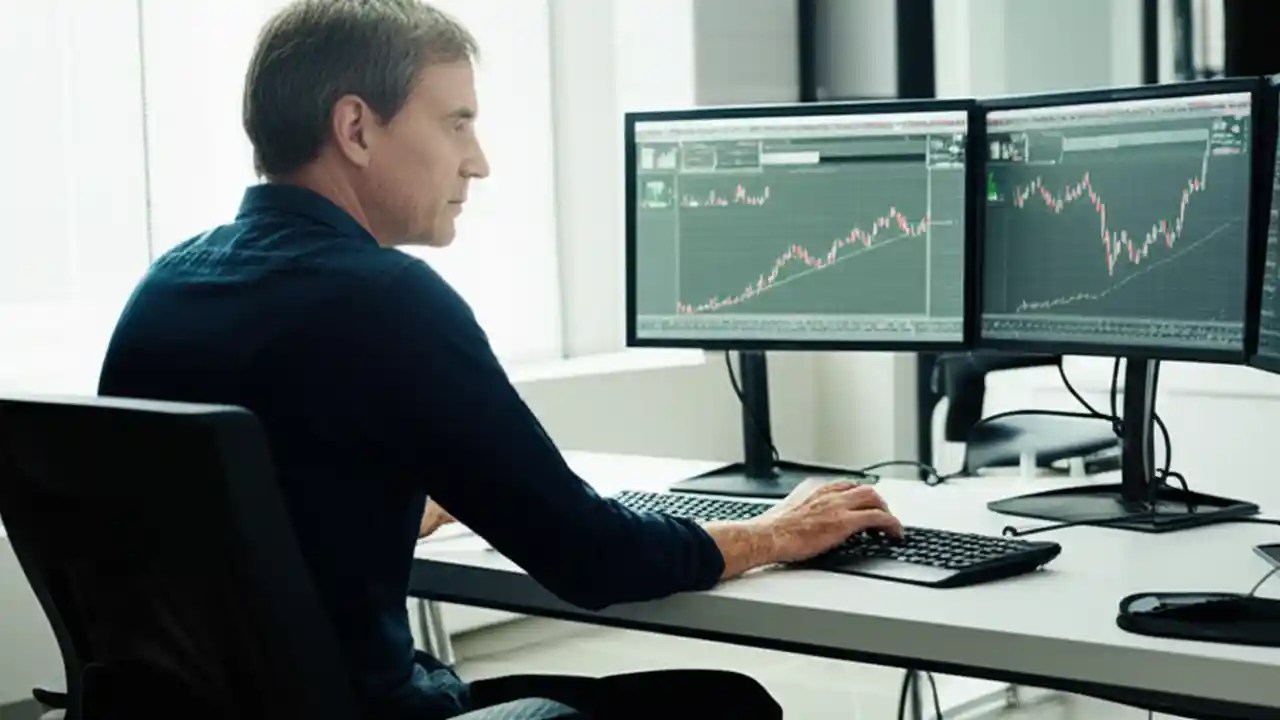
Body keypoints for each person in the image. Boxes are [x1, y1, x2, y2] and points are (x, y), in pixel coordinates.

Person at [97, 1, 904, 718]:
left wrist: (398, 505)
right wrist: (774, 533)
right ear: (355, 128)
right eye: (456, 122)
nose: (476, 160)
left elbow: (241, 519)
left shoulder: (166, 288)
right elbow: (590, 557)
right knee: (729, 706)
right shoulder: (388, 301)